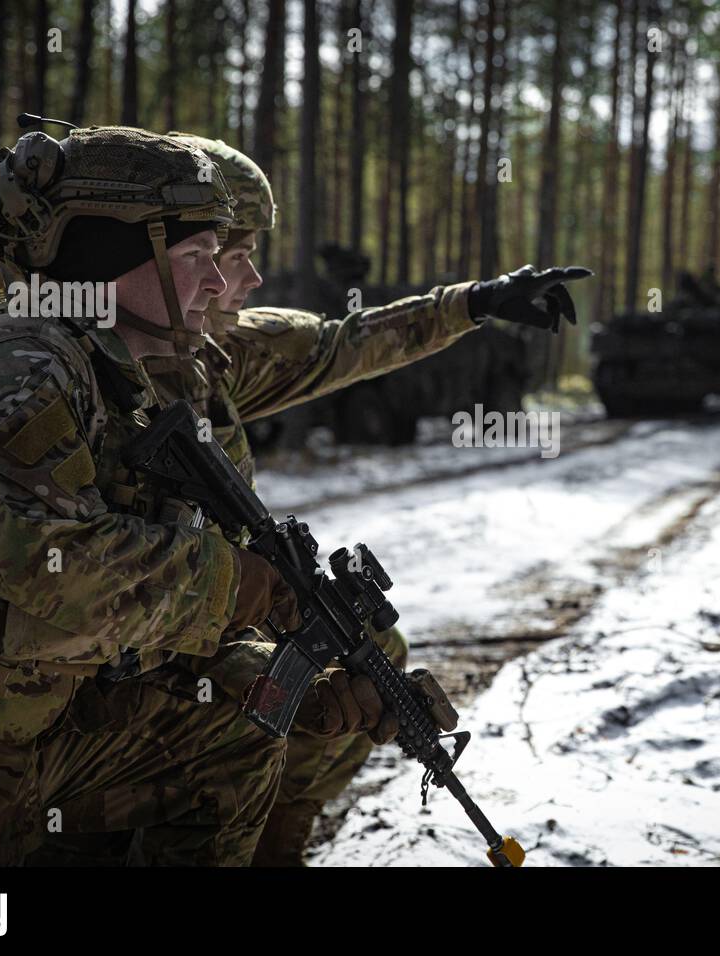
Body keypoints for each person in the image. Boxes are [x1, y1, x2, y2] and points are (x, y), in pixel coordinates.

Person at [0, 125, 317, 865]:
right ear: (109, 256)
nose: (220, 282)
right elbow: (41, 559)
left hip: (34, 725)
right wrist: (236, 584)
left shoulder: (109, 370)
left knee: (232, 739)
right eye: (197, 255)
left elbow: (120, 604)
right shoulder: (17, 360)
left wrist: (243, 662)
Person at [131, 133, 592, 865]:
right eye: (230, 253)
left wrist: (474, 302)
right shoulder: (83, 365)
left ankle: (278, 847)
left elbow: (346, 343)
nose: (249, 279)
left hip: (182, 623)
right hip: (124, 653)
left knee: (372, 664)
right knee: (278, 711)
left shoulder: (213, 354)